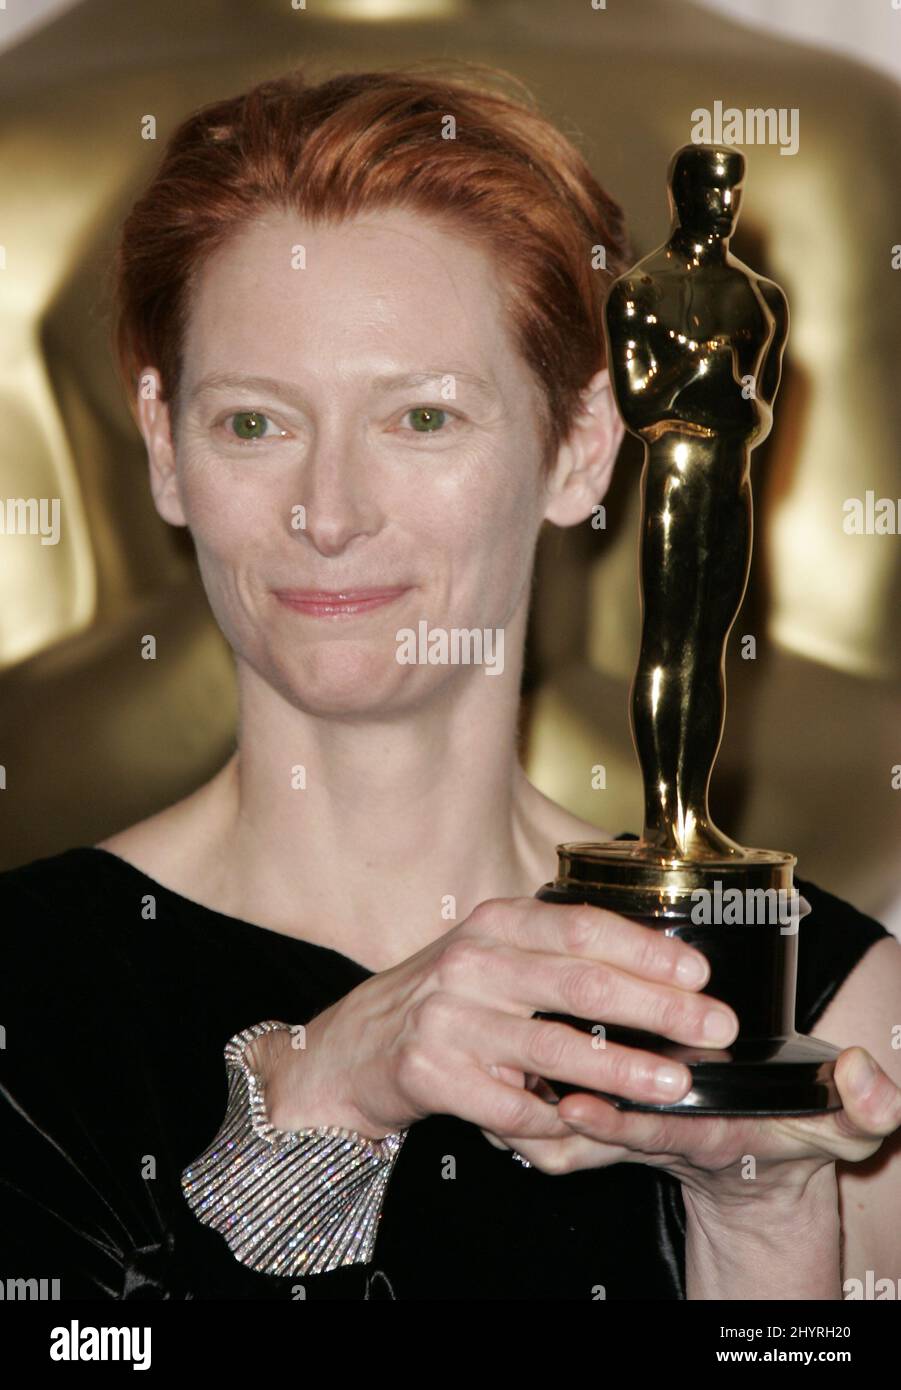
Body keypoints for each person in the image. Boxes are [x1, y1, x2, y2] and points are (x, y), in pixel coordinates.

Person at [1, 64, 899, 1302]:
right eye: (253, 423)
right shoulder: (28, 992)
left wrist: (758, 1227)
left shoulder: (822, 1015)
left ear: (580, 447)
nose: (326, 514)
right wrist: (315, 1100)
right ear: (162, 447)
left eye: (421, 419)